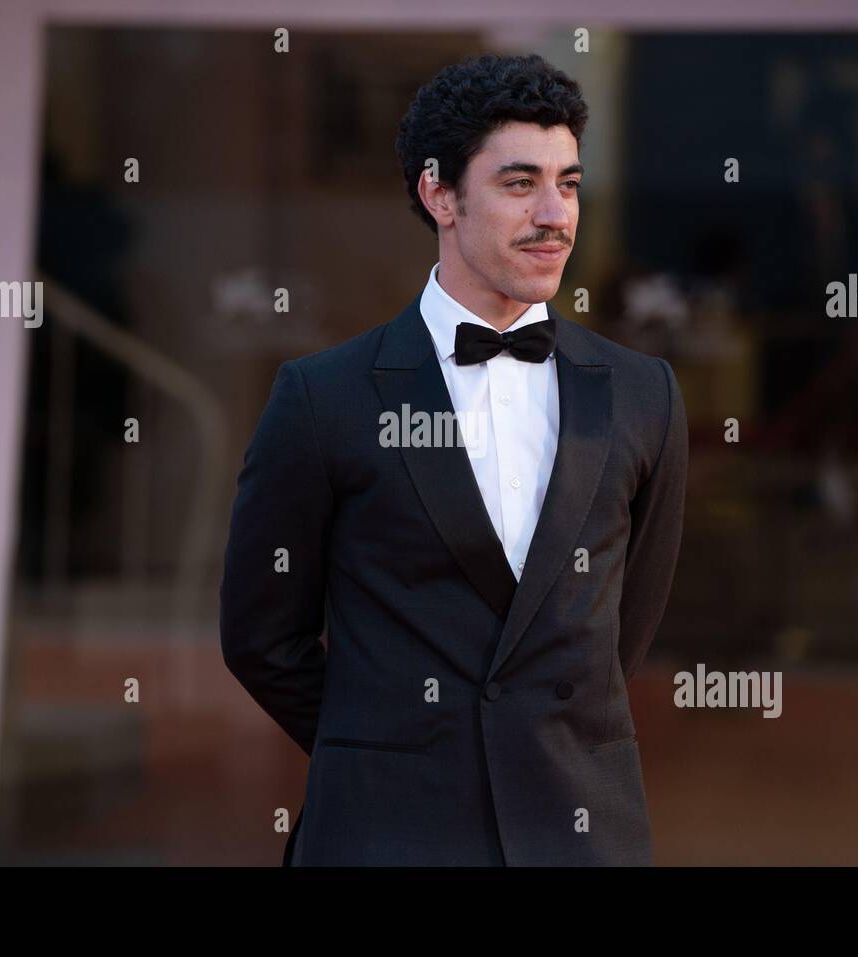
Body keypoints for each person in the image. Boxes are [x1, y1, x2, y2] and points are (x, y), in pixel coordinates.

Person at [219, 52, 688, 866]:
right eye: (519, 183)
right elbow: (262, 635)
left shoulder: (644, 395)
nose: (555, 215)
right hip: (381, 835)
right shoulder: (322, 398)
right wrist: (385, 742)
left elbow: (619, 630)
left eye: (568, 183)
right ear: (440, 193)